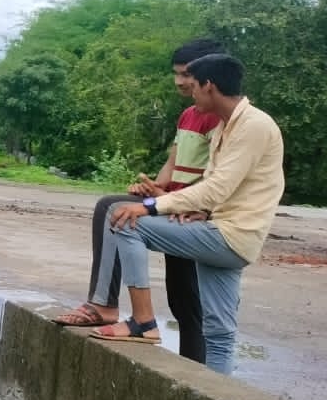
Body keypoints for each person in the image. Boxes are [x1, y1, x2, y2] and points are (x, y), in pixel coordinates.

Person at [86, 54, 284, 376]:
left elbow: (218, 187)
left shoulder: (255, 125)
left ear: (210, 86)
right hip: (226, 231)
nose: (189, 93)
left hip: (229, 235)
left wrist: (151, 206)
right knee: (218, 333)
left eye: (193, 86)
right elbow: (222, 186)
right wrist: (198, 208)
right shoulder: (225, 127)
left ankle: (143, 321)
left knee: (126, 222)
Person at [53, 38, 227, 366]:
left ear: (208, 76)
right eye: (175, 73)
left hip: (189, 211)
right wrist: (154, 186)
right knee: (112, 208)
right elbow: (175, 161)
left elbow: (219, 178)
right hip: (171, 202)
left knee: (188, 301)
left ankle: (195, 370)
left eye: (186, 74)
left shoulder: (220, 118)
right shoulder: (190, 114)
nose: (178, 81)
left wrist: (179, 200)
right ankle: (104, 304)